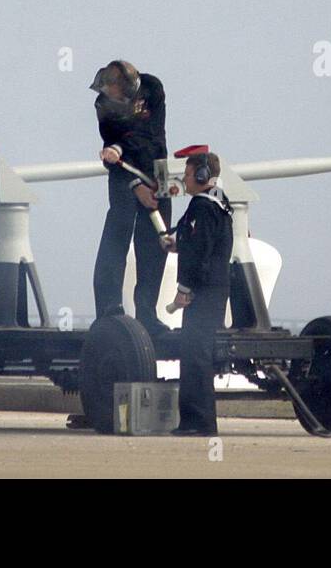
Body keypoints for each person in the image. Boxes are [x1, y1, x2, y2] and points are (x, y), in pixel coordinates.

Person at [90, 60, 171, 336]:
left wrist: (121, 149)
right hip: (123, 175)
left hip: (155, 171)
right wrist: (134, 181)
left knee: (153, 248)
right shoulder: (103, 104)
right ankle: (108, 310)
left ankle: (147, 315)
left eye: (112, 90)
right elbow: (113, 135)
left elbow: (149, 135)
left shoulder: (152, 88)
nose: (107, 95)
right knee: (116, 238)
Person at [163, 151, 233, 437]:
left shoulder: (202, 207)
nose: (185, 180)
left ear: (202, 176)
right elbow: (195, 240)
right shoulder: (219, 203)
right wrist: (176, 239)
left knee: (195, 355)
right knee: (196, 353)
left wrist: (184, 290)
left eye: (189, 174)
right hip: (214, 289)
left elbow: (199, 251)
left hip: (203, 291)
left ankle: (198, 422)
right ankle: (197, 421)